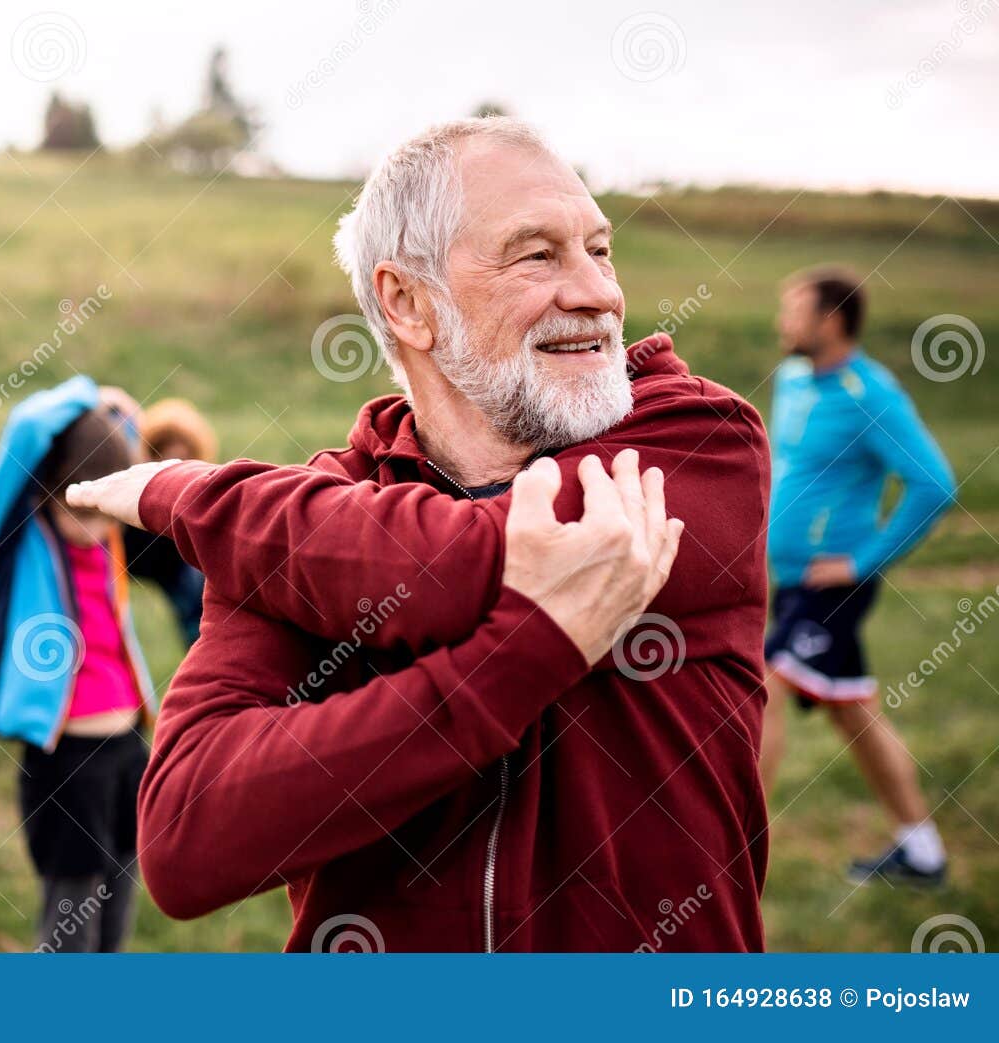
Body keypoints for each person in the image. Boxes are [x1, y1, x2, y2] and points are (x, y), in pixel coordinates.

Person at [67, 117, 772, 952]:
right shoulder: (310, 518)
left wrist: (187, 494)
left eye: (601, 249)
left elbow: (467, 562)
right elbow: (187, 840)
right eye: (538, 254)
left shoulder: (698, 438)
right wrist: (524, 654)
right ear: (408, 302)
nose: (598, 292)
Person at [759, 266, 956, 885]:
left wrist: (861, 561)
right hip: (791, 581)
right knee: (854, 712)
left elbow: (934, 484)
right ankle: (922, 852)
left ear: (831, 320)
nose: (781, 322)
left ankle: (729, 854)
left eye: (794, 311)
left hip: (833, 588)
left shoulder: (870, 394)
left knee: (761, 688)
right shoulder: (792, 380)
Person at [0, 376, 156, 952]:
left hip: (126, 747)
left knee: (121, 895)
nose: (102, 526)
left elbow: (122, 458)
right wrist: (92, 394)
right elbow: (25, 427)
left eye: (107, 513)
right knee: (72, 911)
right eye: (85, 511)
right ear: (47, 489)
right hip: (65, 761)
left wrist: (123, 420)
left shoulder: (108, 538)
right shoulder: (16, 543)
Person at [122, 398, 214, 646]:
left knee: (199, 614)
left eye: (184, 462)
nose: (172, 470)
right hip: (127, 550)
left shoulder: (198, 504)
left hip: (172, 562)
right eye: (161, 458)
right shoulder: (127, 489)